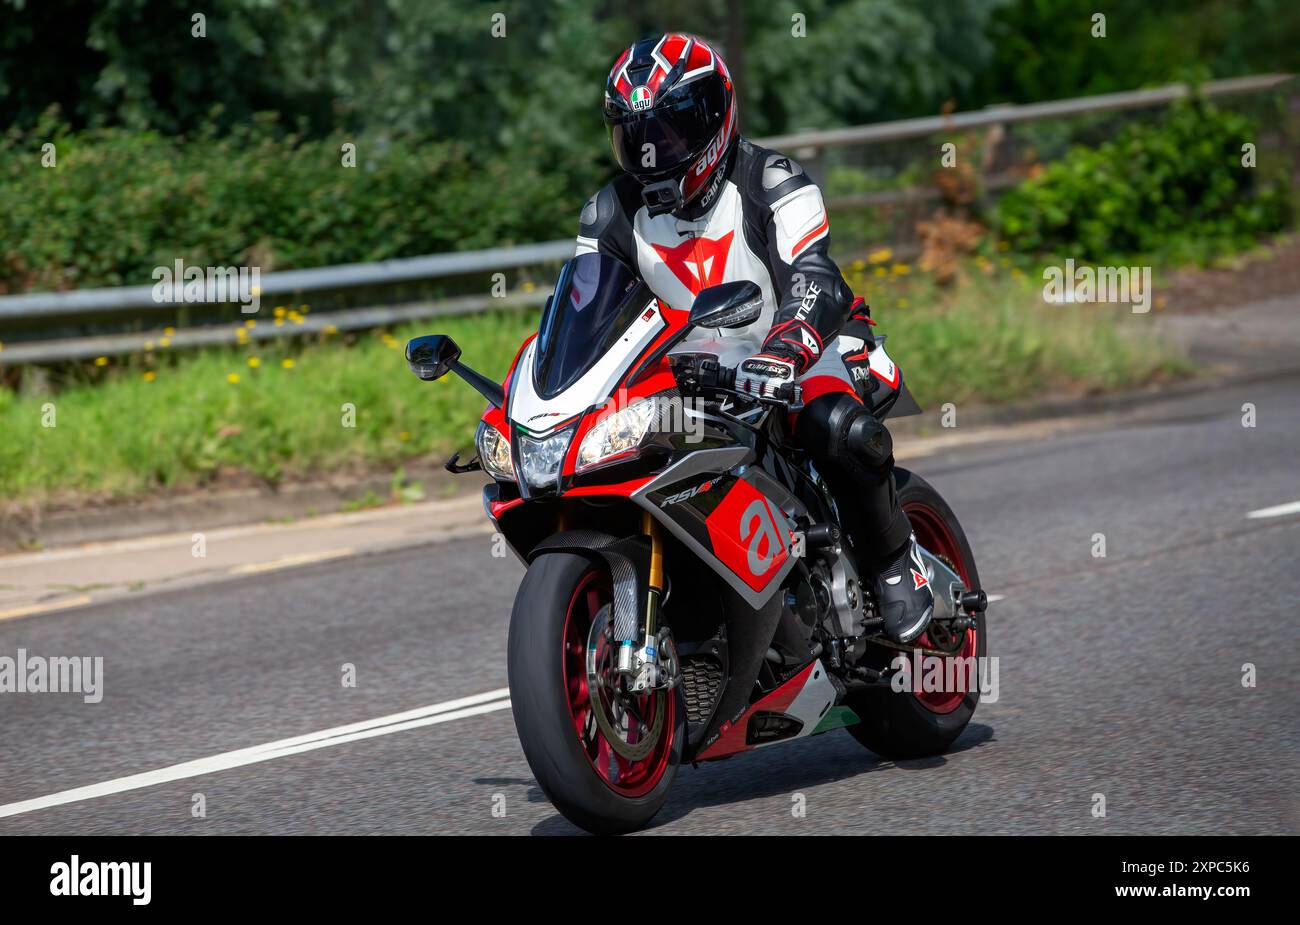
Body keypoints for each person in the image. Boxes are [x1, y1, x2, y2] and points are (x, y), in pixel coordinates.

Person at [575, 33, 933, 643]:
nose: (654, 153)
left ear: (715, 117)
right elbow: (583, 311)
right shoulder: (607, 213)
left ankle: (898, 562)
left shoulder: (771, 179)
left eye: (669, 131)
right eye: (636, 136)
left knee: (834, 425)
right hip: (687, 376)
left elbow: (815, 277)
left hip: (804, 340)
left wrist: (787, 349)